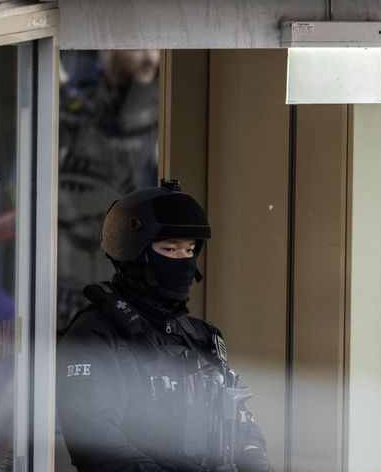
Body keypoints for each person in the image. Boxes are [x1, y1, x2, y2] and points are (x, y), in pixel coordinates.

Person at [57, 179, 273, 472]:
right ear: (134, 254)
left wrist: (254, 458)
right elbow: (96, 445)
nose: (183, 260)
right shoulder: (95, 336)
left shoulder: (200, 337)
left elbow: (239, 420)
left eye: (189, 250)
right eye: (170, 249)